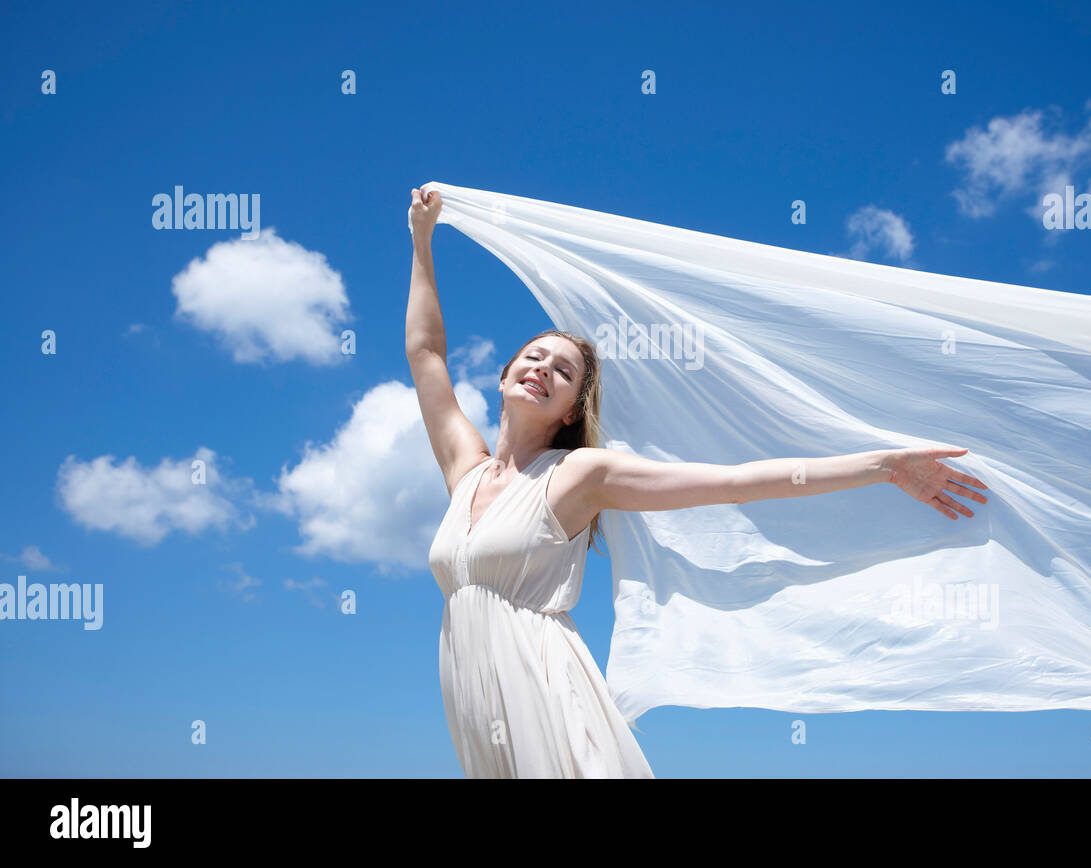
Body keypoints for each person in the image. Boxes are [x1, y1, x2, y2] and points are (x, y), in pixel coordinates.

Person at [405, 187, 990, 778]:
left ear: (569, 413)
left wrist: (884, 466)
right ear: (506, 374)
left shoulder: (577, 476)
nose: (543, 370)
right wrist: (422, 240)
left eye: (563, 372)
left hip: (547, 694)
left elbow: (733, 483)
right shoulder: (466, 470)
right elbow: (426, 353)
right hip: (476, 707)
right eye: (534, 357)